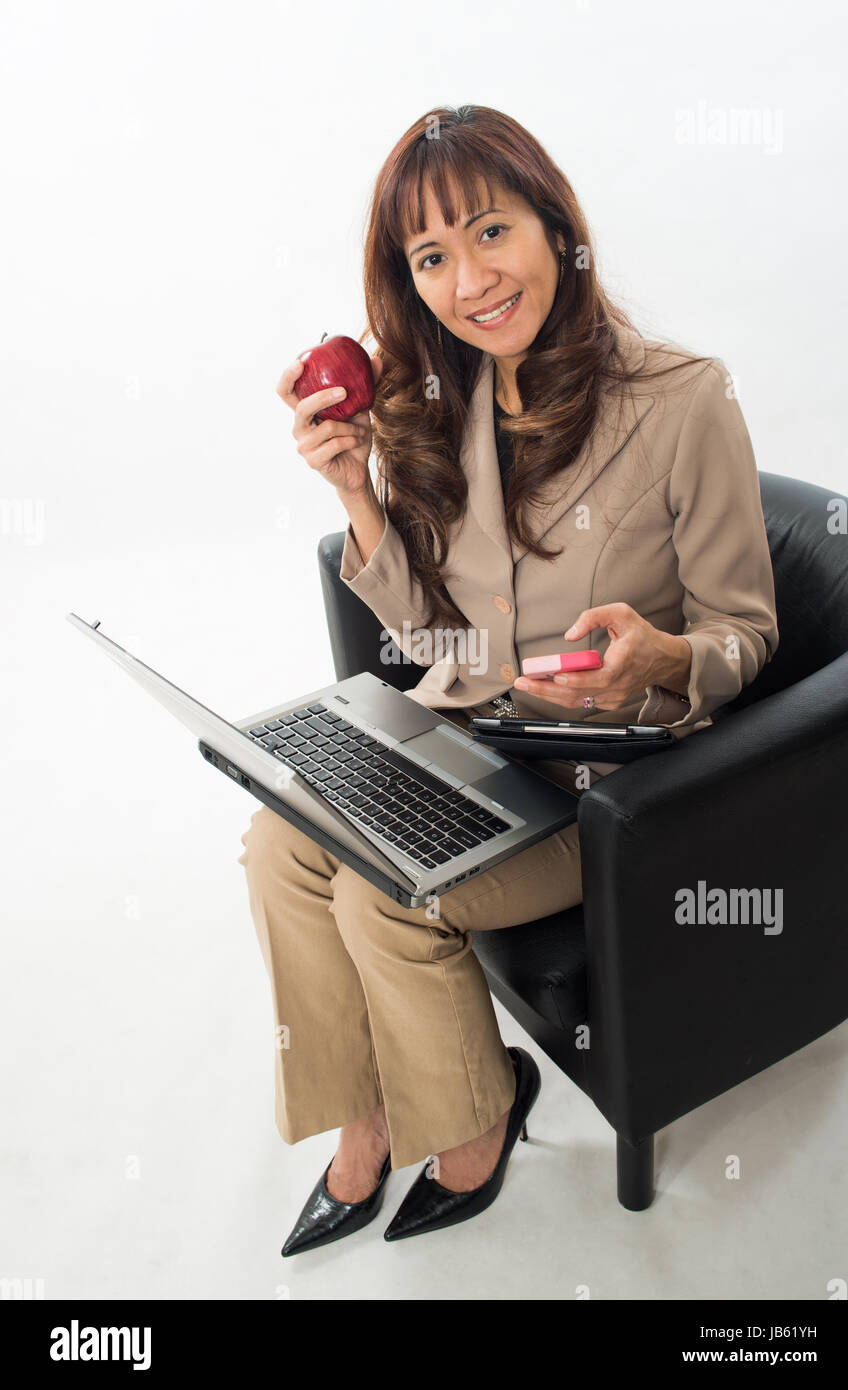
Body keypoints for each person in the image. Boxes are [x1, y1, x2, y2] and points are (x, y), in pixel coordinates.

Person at [238, 104, 779, 1254]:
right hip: (473, 743)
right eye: (432, 256)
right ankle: (370, 1115)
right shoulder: (451, 399)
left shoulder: (687, 400)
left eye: (491, 232)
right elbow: (439, 640)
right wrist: (357, 494)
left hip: (603, 787)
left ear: (554, 226)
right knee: (276, 839)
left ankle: (479, 1117)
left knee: (380, 887)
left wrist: (668, 658)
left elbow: (746, 633)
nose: (470, 278)